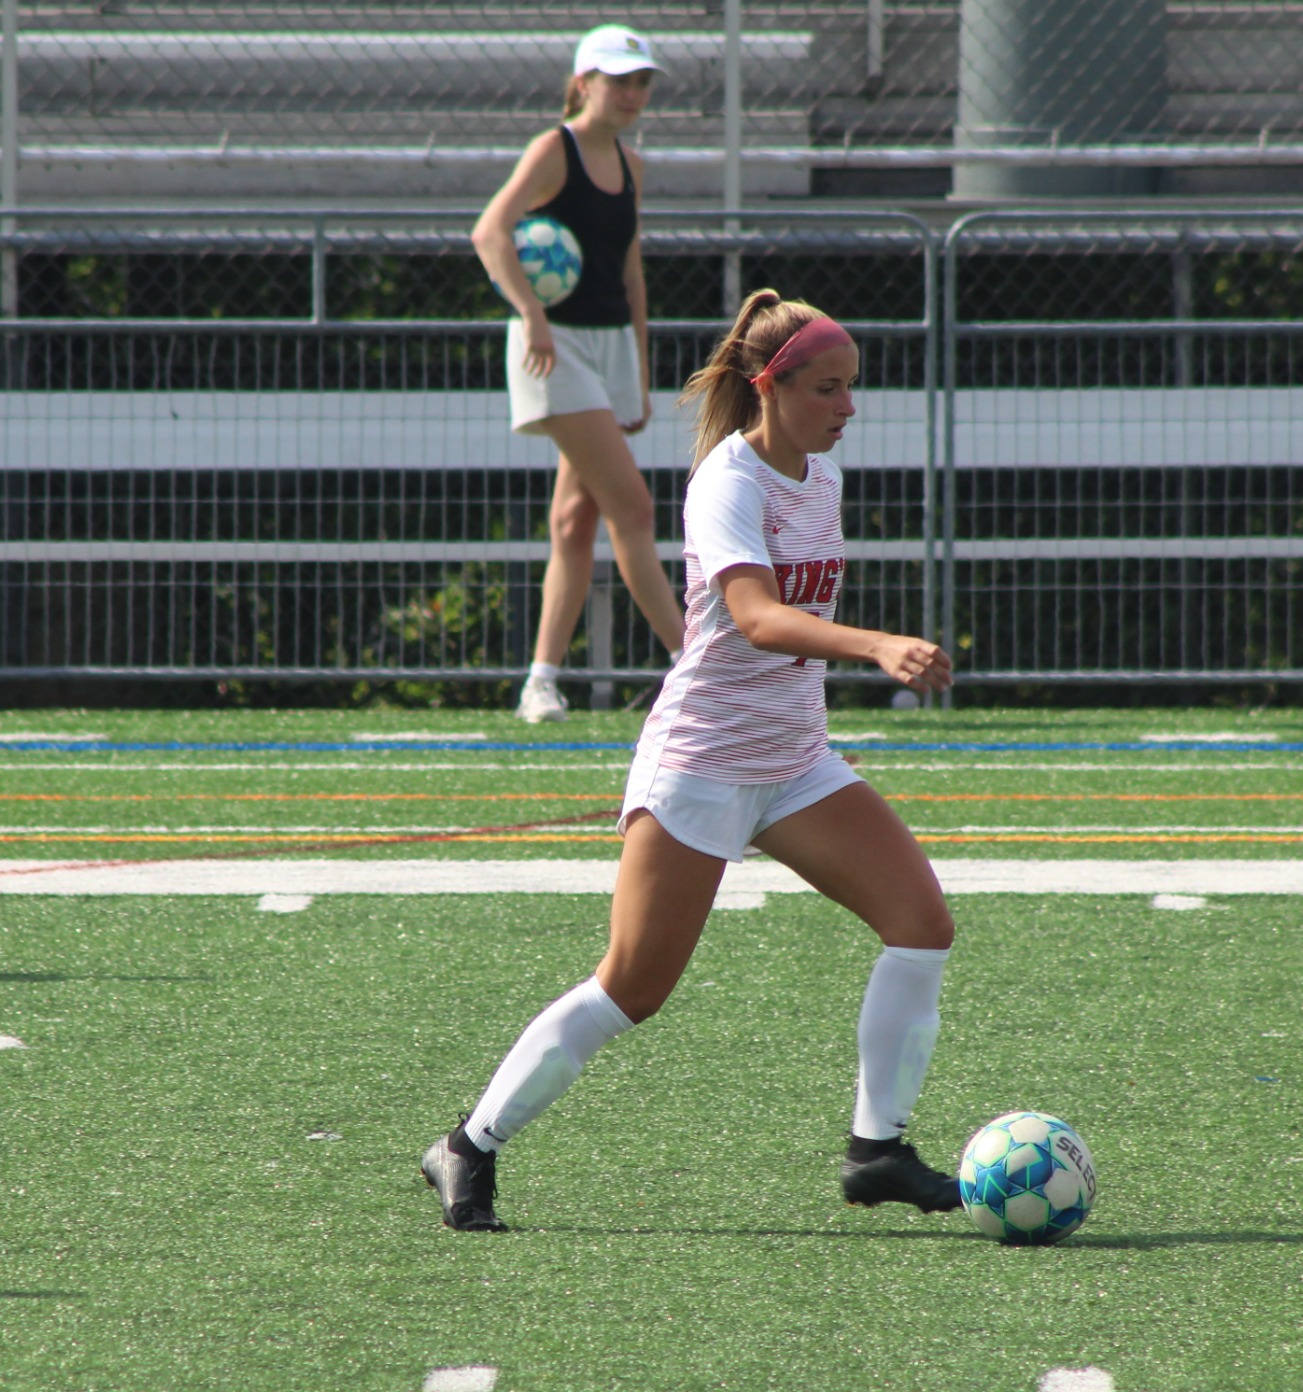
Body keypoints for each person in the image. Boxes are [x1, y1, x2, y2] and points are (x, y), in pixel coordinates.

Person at [423, 291, 960, 1231]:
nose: (848, 407)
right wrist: (877, 645)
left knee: (921, 925)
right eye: (828, 389)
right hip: (702, 763)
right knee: (632, 986)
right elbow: (755, 618)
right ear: (771, 387)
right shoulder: (727, 481)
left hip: (795, 763)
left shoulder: (822, 476)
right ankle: (468, 1146)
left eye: (852, 387)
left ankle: (876, 1151)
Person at [471, 23, 687, 723]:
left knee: (574, 520)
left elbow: (630, 272)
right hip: (554, 348)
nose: (632, 93)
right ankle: (697, 667)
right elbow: (489, 232)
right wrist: (530, 312)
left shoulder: (633, 165)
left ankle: (539, 682)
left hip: (610, 347)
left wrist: (640, 370)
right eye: (618, 80)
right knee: (635, 509)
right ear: (583, 82)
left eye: (641, 81)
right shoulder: (552, 149)